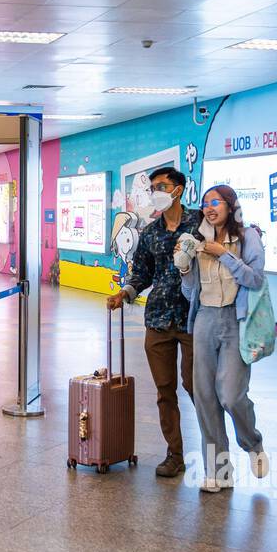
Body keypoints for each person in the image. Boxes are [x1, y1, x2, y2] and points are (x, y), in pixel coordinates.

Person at [106, 167, 201, 479]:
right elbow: (142, 274)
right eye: (153, 187)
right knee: (165, 390)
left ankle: (215, 447)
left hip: (193, 319)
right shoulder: (149, 233)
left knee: (195, 385)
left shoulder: (200, 223)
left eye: (163, 185)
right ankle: (174, 455)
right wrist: (126, 292)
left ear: (179, 190)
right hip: (158, 318)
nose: (156, 191)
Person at [177, 184, 269, 493]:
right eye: (205, 203)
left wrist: (224, 255)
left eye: (215, 202)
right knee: (205, 397)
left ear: (230, 205)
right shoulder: (197, 240)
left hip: (234, 320)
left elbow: (254, 279)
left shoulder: (247, 237)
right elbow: (190, 292)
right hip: (204, 319)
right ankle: (219, 471)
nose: (209, 208)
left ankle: (253, 443)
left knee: (230, 395)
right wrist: (184, 267)